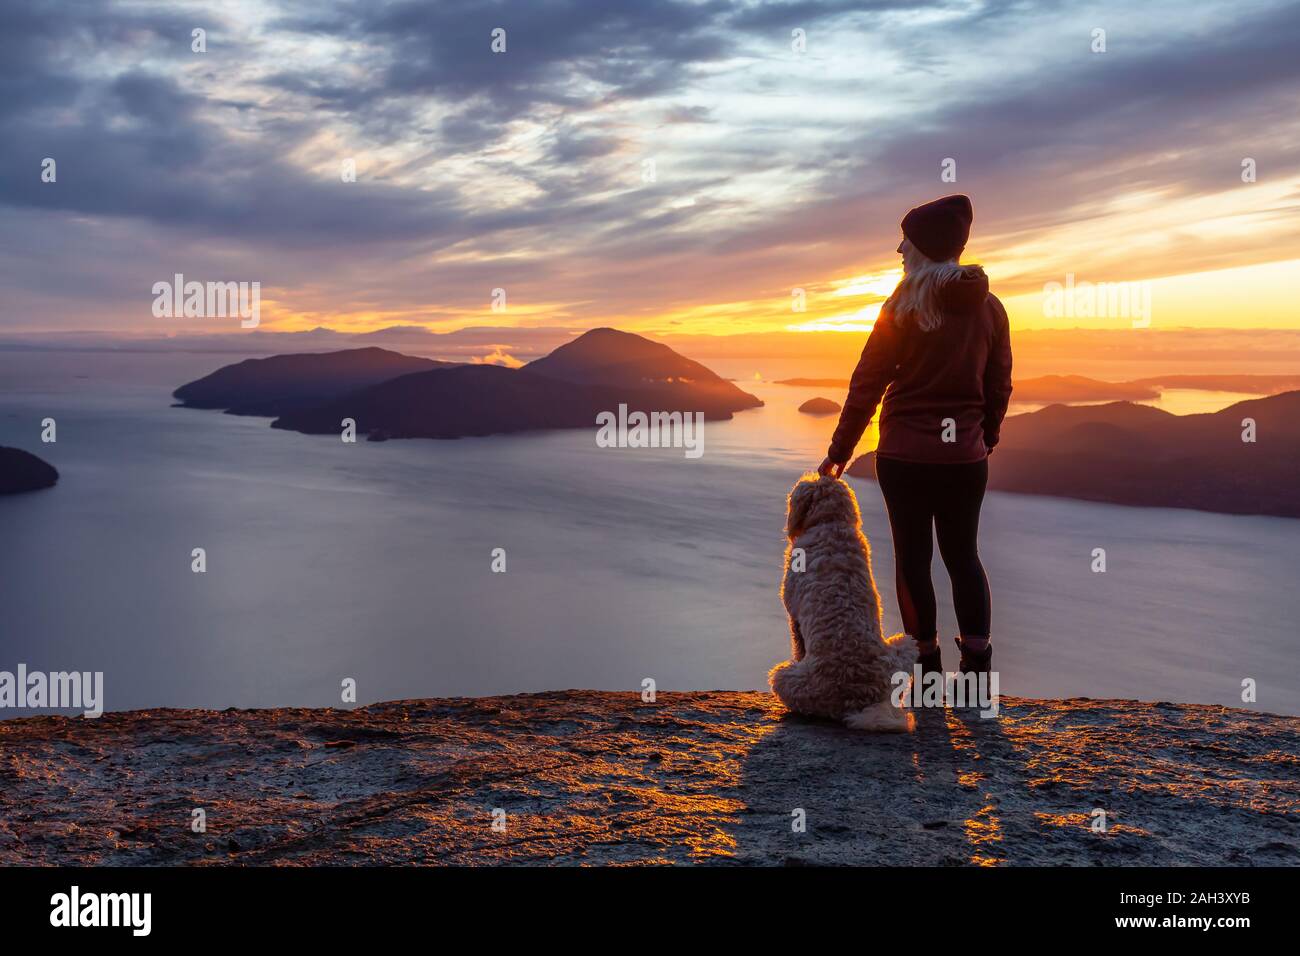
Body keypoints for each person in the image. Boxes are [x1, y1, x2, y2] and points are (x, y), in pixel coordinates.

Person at [817, 194, 1012, 677]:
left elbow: (867, 384)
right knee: (963, 555)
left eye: (906, 240)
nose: (899, 248)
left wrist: (838, 453)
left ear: (923, 247)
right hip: (965, 460)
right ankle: (977, 672)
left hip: (904, 456)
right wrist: (984, 436)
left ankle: (926, 670)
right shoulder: (990, 309)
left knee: (913, 561)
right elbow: (998, 383)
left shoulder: (901, 306)